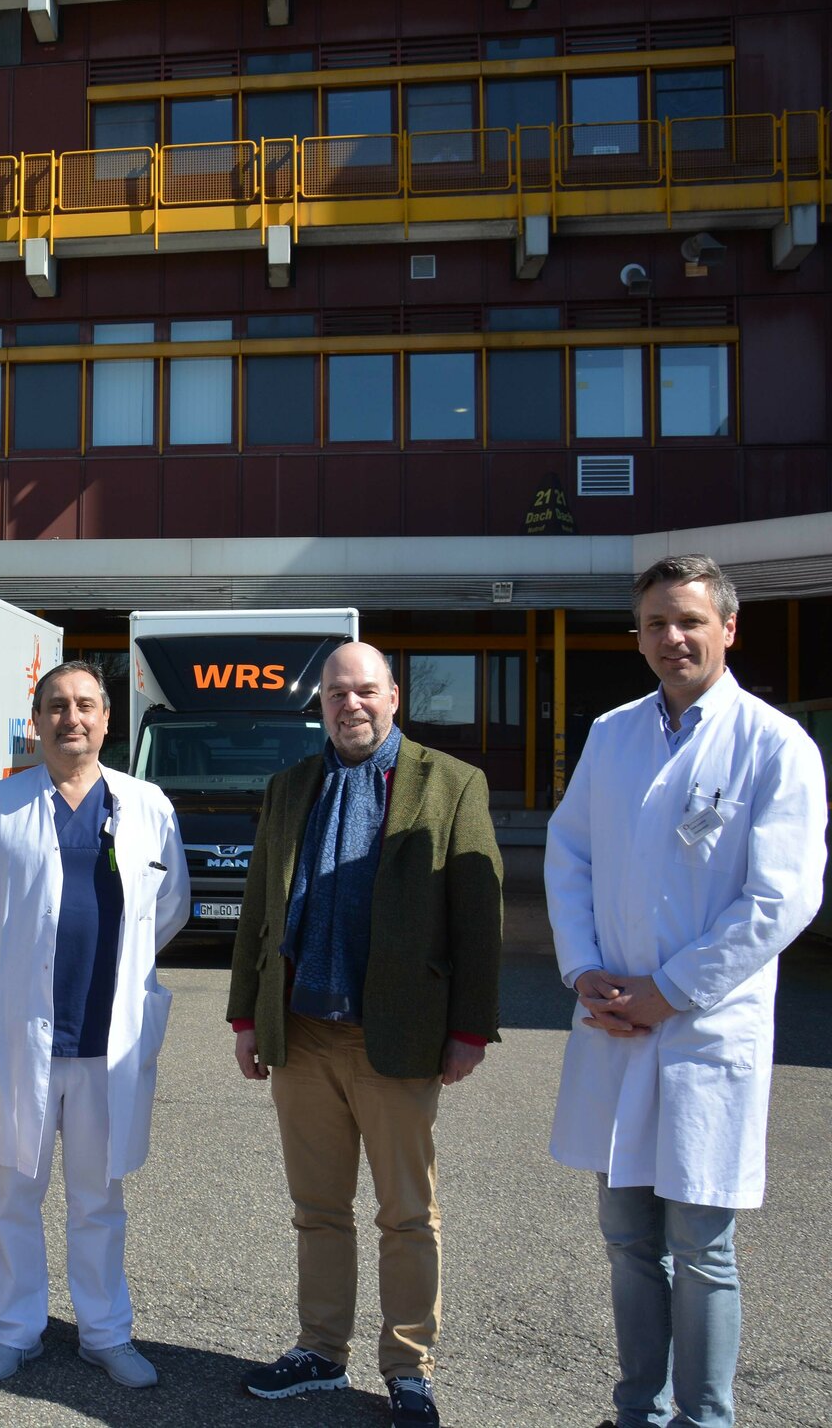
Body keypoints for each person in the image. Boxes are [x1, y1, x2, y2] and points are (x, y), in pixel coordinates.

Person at [545, 554, 826, 1428]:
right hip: (614, 1018)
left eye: (689, 622)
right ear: (637, 637)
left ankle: (705, 1419)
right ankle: (640, 1409)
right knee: (629, 1240)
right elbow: (570, 855)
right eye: (656, 624)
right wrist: (583, 969)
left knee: (702, 1248)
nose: (672, 638)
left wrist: (670, 992)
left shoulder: (773, 743)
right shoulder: (612, 734)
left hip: (705, 1029)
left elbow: (783, 896)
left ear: (727, 629)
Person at [227, 642, 503, 1428]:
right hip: (303, 1033)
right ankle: (320, 1349)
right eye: (337, 694)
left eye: (366, 692)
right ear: (321, 705)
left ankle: (409, 1368)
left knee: (407, 1214)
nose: (351, 705)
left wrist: (470, 1029)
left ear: (394, 698)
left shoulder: (450, 784)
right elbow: (257, 910)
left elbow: (477, 922)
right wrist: (248, 1016)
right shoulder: (289, 788)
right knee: (317, 1209)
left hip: (398, 1037)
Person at [0, 662, 190, 1389]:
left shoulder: (149, 806)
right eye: (56, 706)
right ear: (37, 721)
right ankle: (15, 1330)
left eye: (85, 705)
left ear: (108, 721)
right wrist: (22, 960)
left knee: (98, 1198)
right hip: (26, 1034)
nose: (71, 718)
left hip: (107, 1039)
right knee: (12, 1192)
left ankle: (105, 1333)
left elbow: (169, 905)